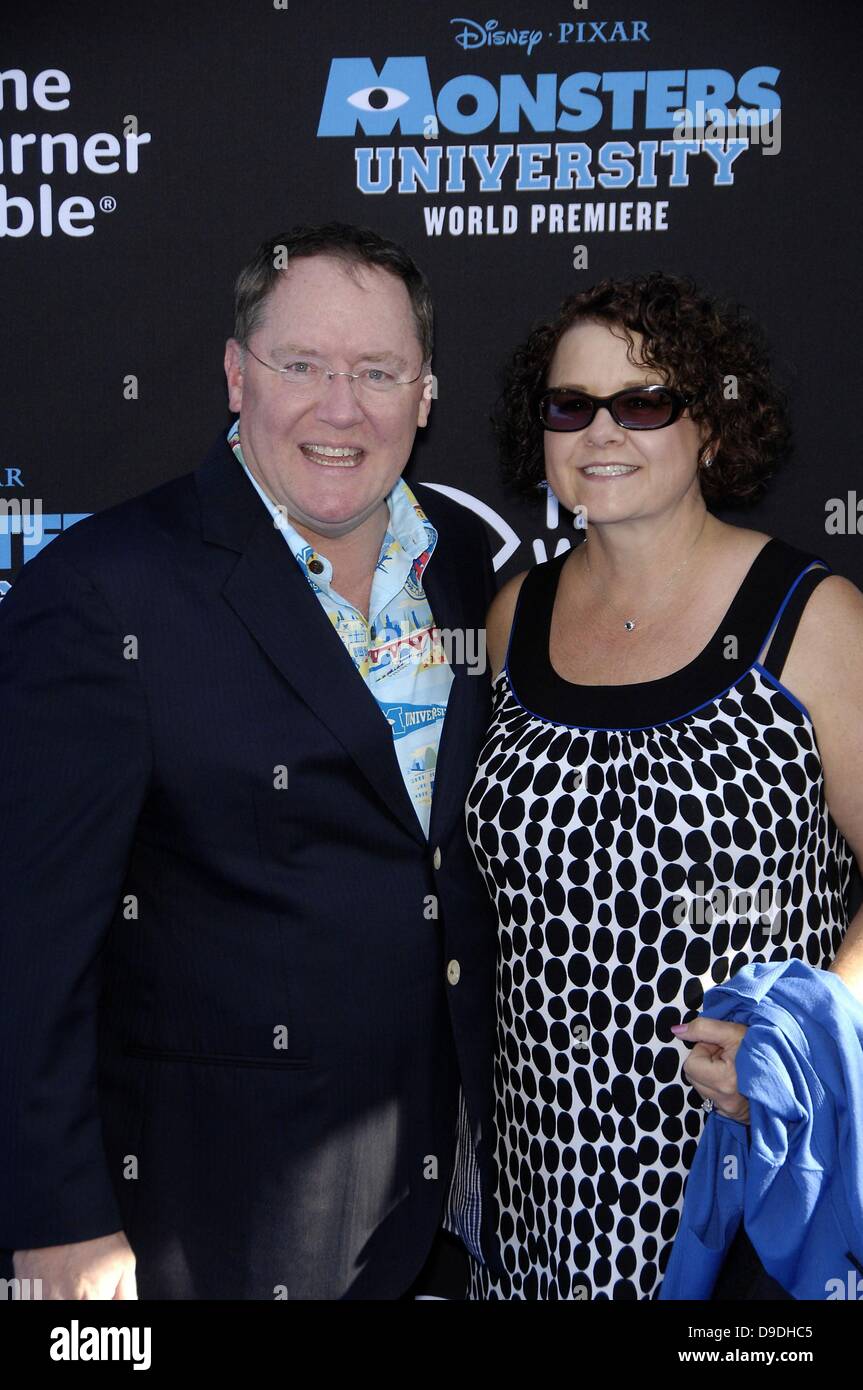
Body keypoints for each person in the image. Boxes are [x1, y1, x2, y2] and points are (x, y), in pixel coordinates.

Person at [0, 222, 499, 1300]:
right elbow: (26, 950)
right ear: (236, 375)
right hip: (206, 1224)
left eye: (376, 371)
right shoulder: (103, 593)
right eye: (301, 365)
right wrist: (60, 1227)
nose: (339, 406)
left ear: (424, 394)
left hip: (444, 1217)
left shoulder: (468, 570)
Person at [461, 271, 863, 1299]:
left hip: (744, 1181)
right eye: (569, 406)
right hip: (537, 1189)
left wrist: (795, 1035)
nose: (601, 432)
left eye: (641, 402)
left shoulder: (807, 618)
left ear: (713, 430)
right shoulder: (517, 615)